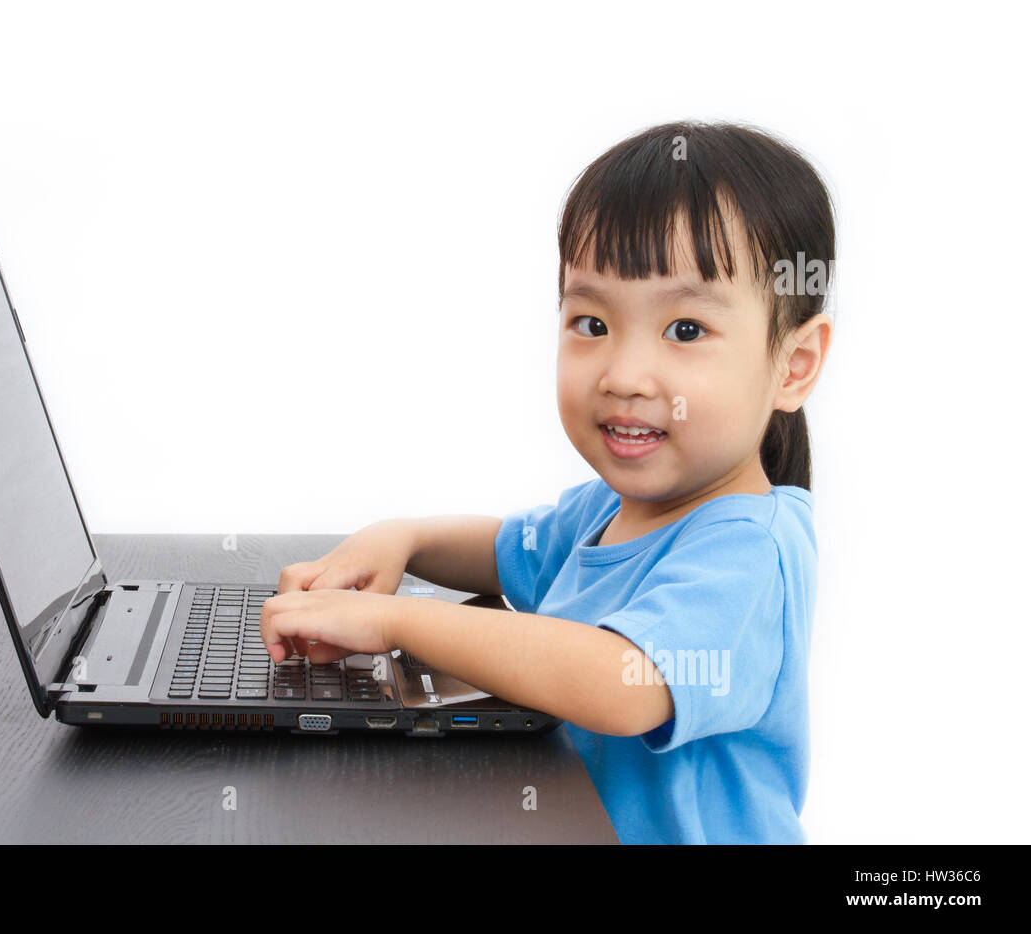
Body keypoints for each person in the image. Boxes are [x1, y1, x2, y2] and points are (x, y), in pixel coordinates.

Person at [258, 120, 834, 844]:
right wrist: (403, 538)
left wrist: (396, 622)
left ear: (795, 364)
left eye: (685, 330)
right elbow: (505, 549)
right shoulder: (613, 510)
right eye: (591, 323)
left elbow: (621, 682)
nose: (622, 375)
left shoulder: (752, 553)